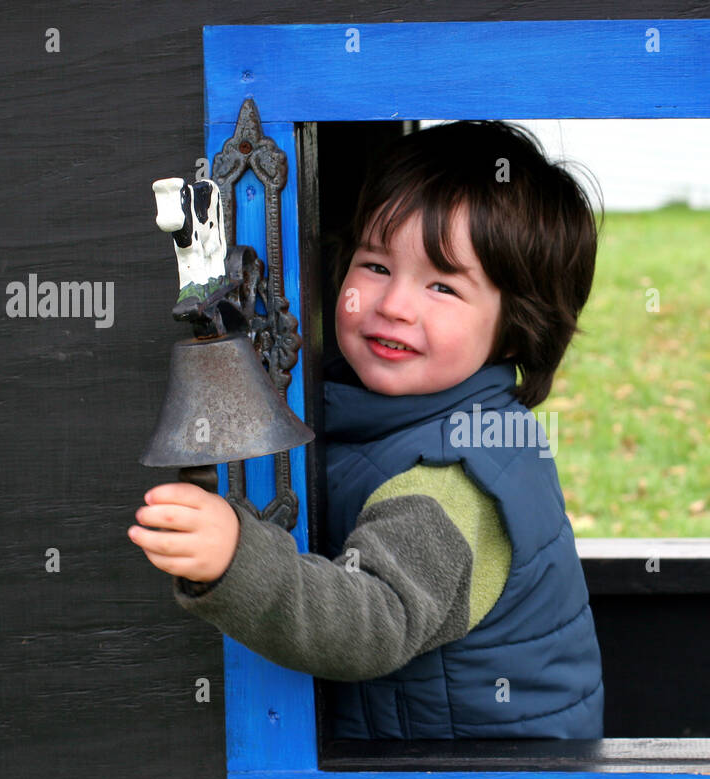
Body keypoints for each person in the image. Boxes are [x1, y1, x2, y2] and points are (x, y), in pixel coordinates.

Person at [127, 120, 604, 739]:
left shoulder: (459, 479)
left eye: (442, 285)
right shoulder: (367, 405)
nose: (395, 304)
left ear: (515, 326)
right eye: (376, 266)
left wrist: (236, 560)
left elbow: (372, 620)